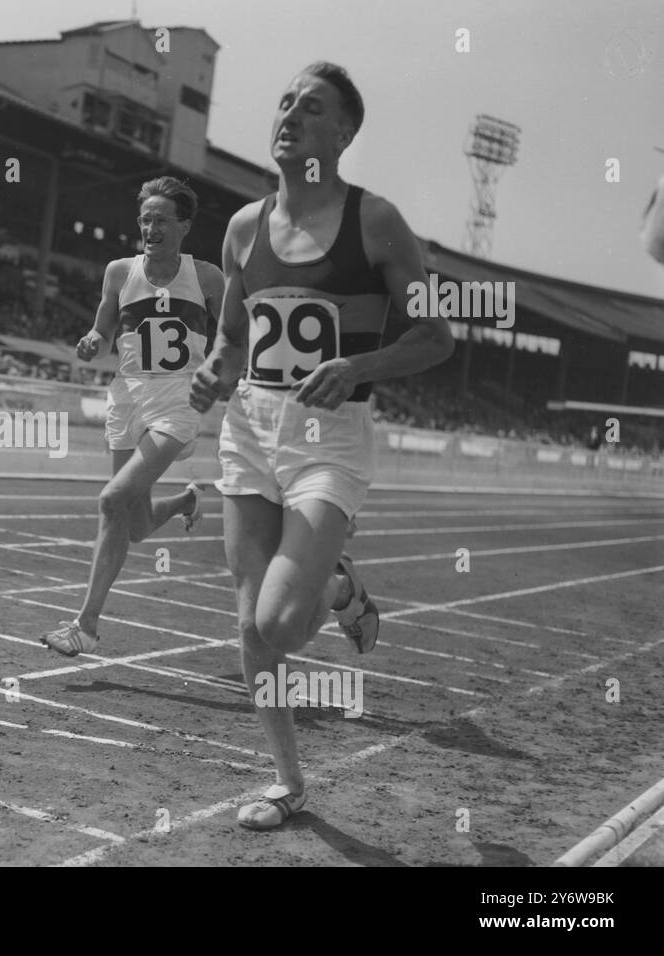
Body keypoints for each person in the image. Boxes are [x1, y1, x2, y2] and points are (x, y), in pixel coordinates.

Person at [189, 62, 454, 829]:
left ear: (343, 134)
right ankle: (287, 782)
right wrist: (212, 376)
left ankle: (337, 589)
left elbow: (437, 335)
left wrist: (360, 364)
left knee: (277, 621)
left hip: (328, 441)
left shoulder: (376, 222)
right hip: (250, 430)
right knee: (249, 624)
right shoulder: (243, 228)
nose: (290, 116)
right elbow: (231, 341)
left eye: (311, 108)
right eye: (284, 103)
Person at [42, 177, 225, 657]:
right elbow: (102, 329)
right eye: (145, 219)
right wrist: (92, 342)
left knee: (112, 501)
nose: (151, 227)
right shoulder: (119, 272)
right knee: (137, 524)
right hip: (125, 399)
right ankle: (186, 499)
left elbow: (232, 337)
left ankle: (86, 624)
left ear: (184, 226)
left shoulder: (206, 277)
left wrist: (221, 374)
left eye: (162, 219)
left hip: (177, 402)